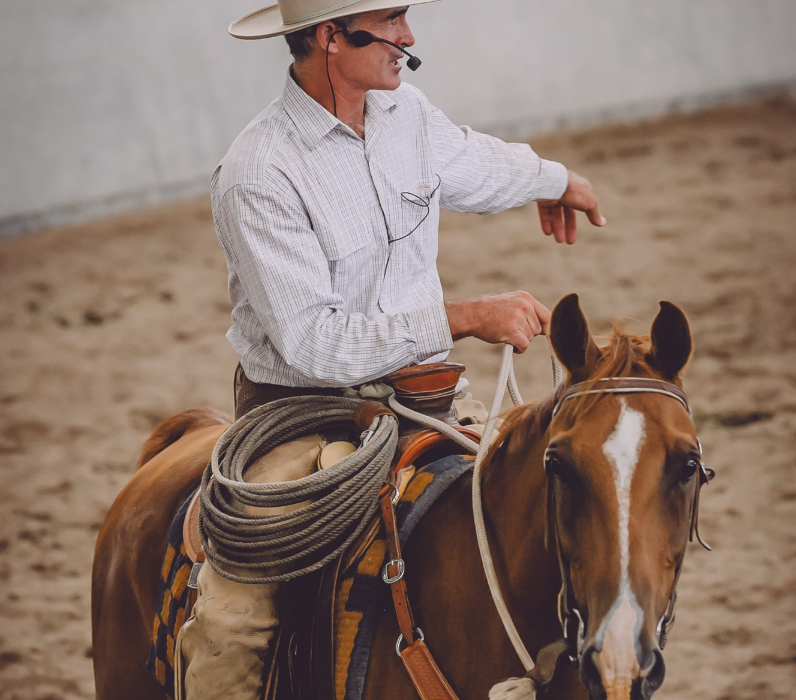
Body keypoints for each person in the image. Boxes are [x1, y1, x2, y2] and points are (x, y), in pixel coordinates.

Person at [177, 1, 606, 698]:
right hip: (305, 413)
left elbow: (470, 157)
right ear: (330, 39)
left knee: (550, 508)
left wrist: (557, 181)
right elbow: (316, 343)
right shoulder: (259, 173)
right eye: (390, 22)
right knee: (234, 623)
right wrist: (464, 317)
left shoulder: (405, 114)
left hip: (425, 395)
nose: (408, 37)